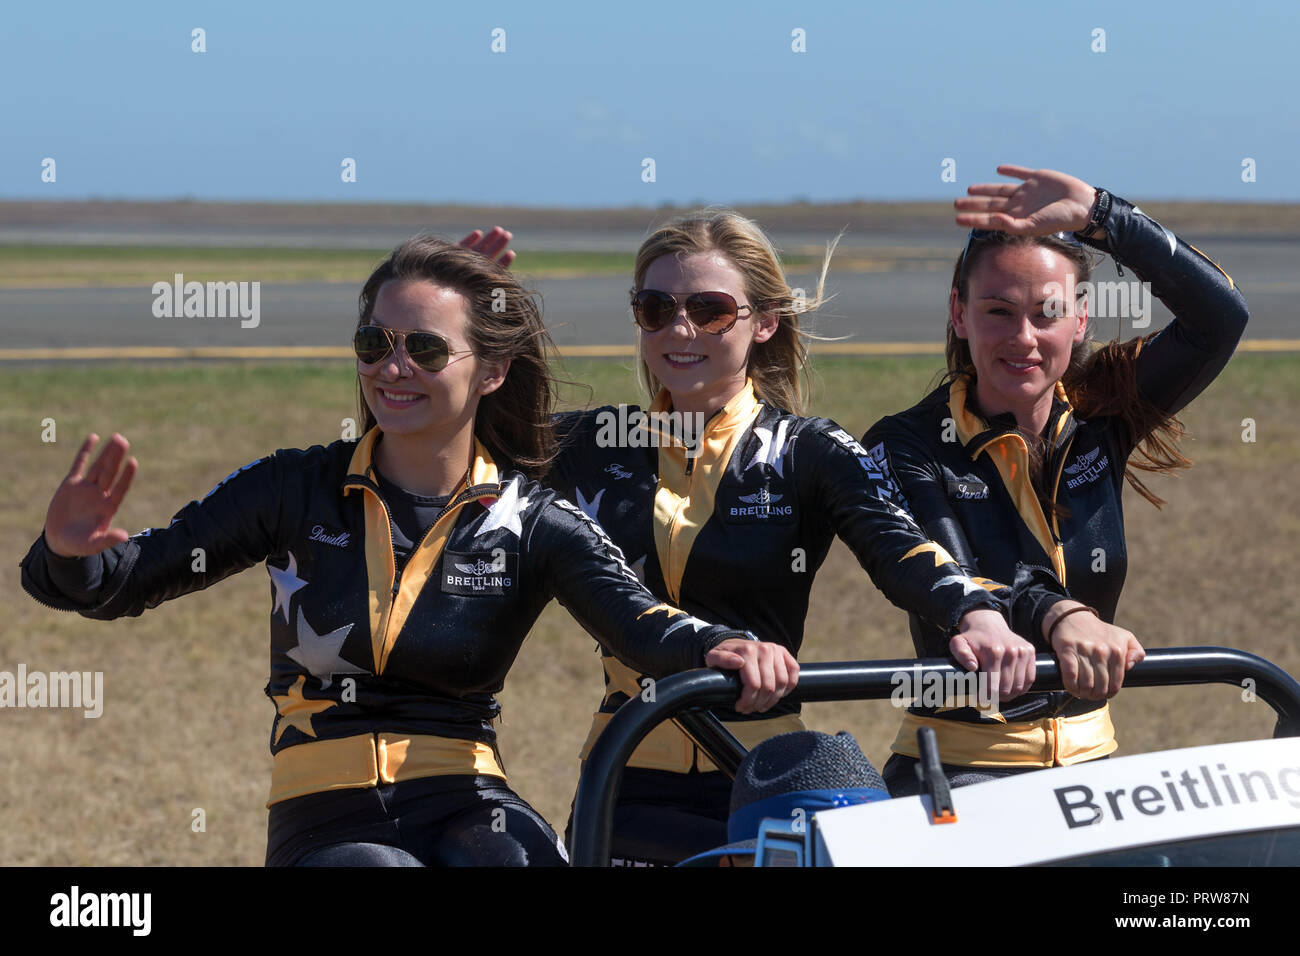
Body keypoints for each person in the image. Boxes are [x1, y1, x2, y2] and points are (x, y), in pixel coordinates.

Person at [18, 231, 797, 867]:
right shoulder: (294, 486)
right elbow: (126, 580)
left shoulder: (534, 516)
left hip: (468, 800)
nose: (392, 368)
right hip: (322, 809)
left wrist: (728, 645)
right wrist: (71, 553)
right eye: (374, 342)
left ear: (492, 371)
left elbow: (640, 621)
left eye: (425, 349)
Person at [548, 210, 1027, 865]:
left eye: (710, 309)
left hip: (763, 779)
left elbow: (899, 544)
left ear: (764, 321)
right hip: (623, 778)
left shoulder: (811, 449)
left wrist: (971, 610)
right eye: (655, 308)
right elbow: (451, 432)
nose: (679, 329)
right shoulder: (588, 444)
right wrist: (476, 315)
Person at [858, 165, 1249, 795]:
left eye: (1047, 313)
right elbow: (951, 578)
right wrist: (1063, 614)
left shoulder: (1102, 415)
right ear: (959, 314)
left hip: (1094, 770)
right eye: (997, 312)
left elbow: (1220, 317)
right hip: (958, 769)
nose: (1024, 338)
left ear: (1081, 320)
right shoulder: (904, 443)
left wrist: (1105, 216)